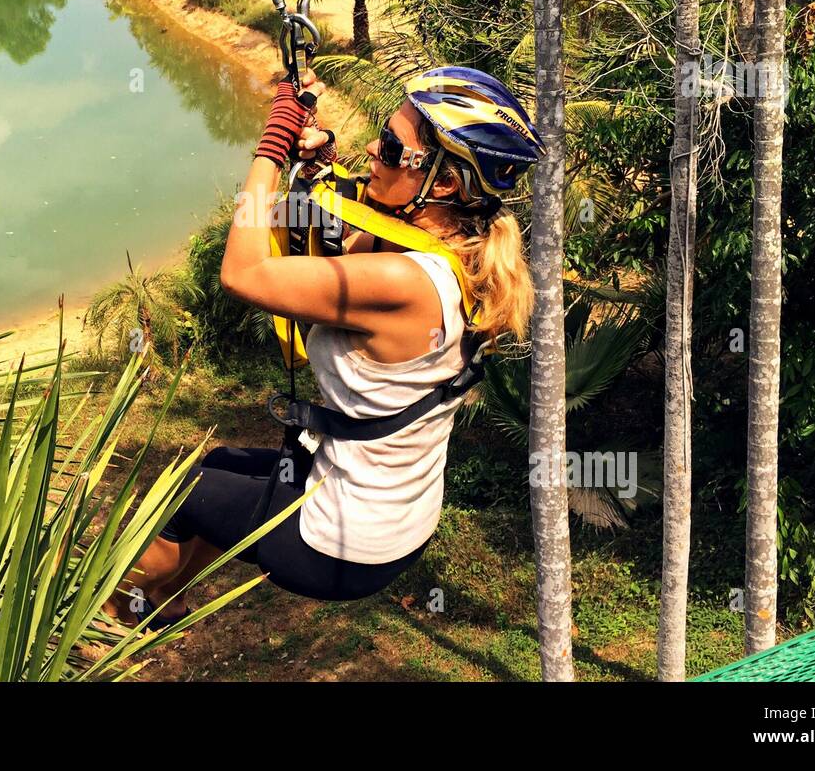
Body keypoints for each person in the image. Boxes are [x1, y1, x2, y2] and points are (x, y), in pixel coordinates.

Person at [101, 65, 544, 629]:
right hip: (391, 518)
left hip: (340, 547)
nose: (371, 152)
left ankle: (113, 611)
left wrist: (274, 143)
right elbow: (348, 235)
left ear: (444, 183)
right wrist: (321, 162)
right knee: (216, 466)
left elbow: (242, 271)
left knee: (182, 497)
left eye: (388, 147)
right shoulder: (457, 252)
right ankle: (167, 599)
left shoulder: (405, 283)